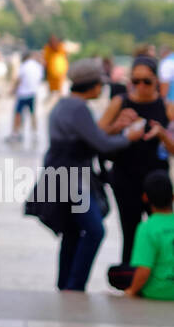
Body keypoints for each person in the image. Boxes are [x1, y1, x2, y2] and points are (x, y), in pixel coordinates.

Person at [43, 58, 146, 292]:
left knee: (72, 231)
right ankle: (75, 284)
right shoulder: (79, 108)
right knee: (94, 229)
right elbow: (101, 144)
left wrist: (115, 127)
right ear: (91, 85)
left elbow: (89, 137)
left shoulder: (64, 105)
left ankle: (66, 285)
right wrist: (127, 137)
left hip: (59, 176)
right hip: (72, 179)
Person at [96, 54, 174, 267]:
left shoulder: (166, 107)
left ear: (156, 81)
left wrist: (161, 134)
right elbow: (97, 137)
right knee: (130, 229)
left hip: (156, 178)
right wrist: (118, 126)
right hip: (125, 175)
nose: (140, 86)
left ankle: (158, 278)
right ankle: (129, 278)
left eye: (146, 81)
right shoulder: (120, 102)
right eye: (135, 81)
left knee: (160, 228)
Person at [107, 171, 174, 298]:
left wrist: (132, 291)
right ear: (172, 197)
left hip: (158, 291)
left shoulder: (146, 228)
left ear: (145, 198)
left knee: (115, 273)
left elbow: (144, 269)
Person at [5, 51, 45, 145]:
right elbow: (40, 79)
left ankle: (15, 133)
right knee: (32, 114)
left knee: (18, 114)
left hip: (23, 93)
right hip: (33, 93)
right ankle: (35, 133)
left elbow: (19, 80)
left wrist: (12, 90)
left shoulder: (24, 66)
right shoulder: (38, 66)